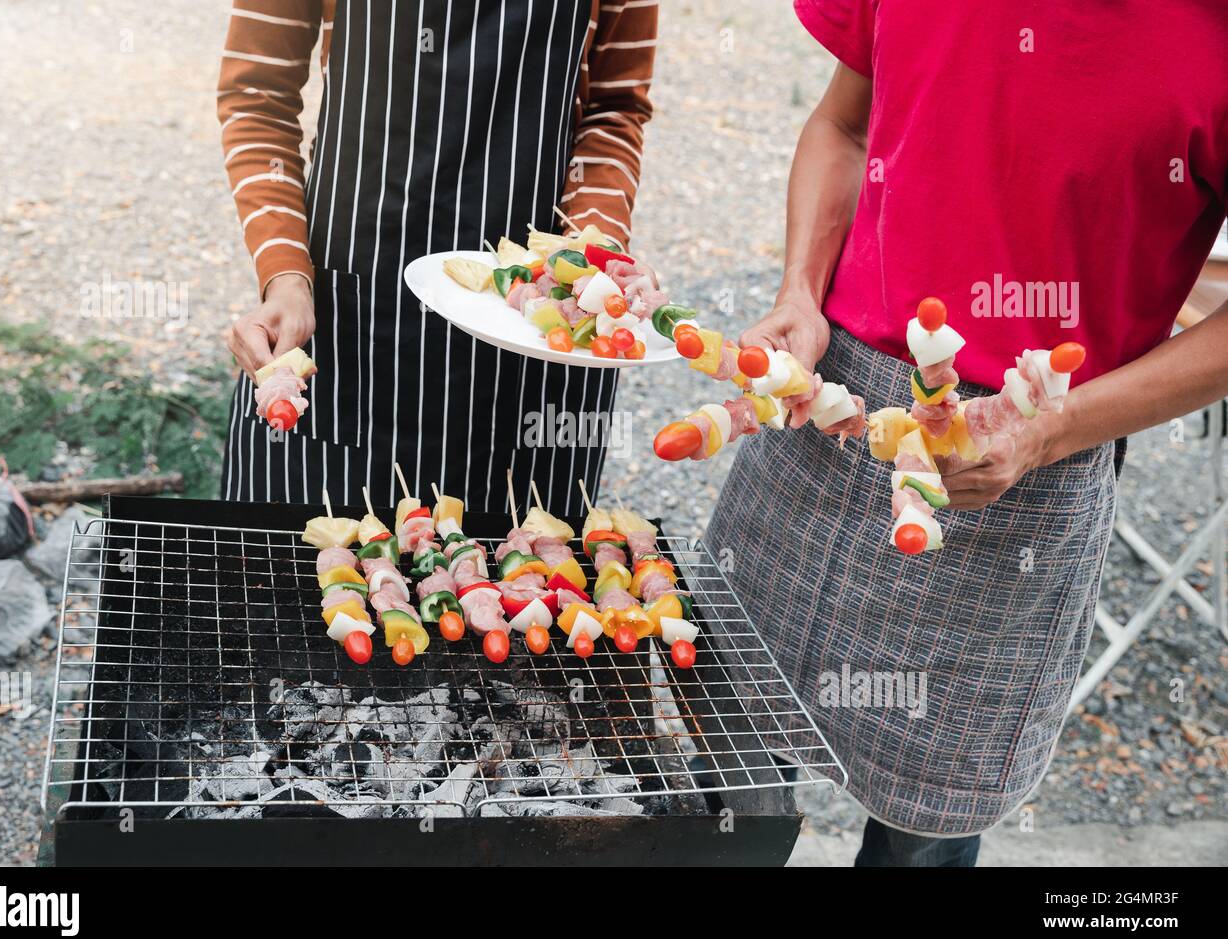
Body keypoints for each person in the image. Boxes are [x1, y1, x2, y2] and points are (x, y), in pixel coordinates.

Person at [705, 0, 1228, 865]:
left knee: (924, 834)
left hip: (1019, 458)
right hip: (820, 408)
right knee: (726, 757)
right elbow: (843, 125)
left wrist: (1051, 431)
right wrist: (799, 290)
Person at [216, 0, 657, 511]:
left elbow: (613, 108)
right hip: (350, 320)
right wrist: (285, 273)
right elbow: (257, 93)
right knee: (292, 576)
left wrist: (591, 256)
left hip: (537, 333)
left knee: (523, 577)